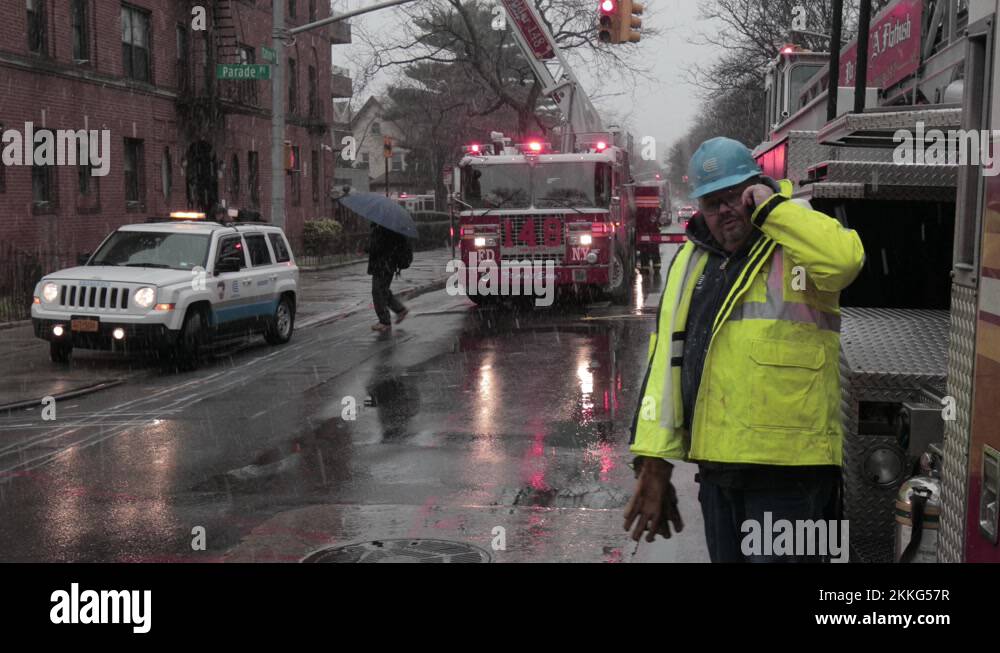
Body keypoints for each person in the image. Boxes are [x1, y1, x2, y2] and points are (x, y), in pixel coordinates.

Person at [624, 137, 865, 562]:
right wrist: (654, 463)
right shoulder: (693, 259)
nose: (724, 211)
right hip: (719, 471)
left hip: (790, 474)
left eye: (735, 196)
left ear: (757, 188)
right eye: (712, 203)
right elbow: (668, 362)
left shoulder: (794, 237)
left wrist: (773, 210)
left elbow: (844, 261)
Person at [367, 223, 411, 332]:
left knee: (377, 291)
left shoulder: (382, 227)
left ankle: (384, 322)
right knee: (383, 290)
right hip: (388, 264)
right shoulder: (390, 225)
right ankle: (400, 310)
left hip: (382, 264)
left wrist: (367, 247)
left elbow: (377, 246)